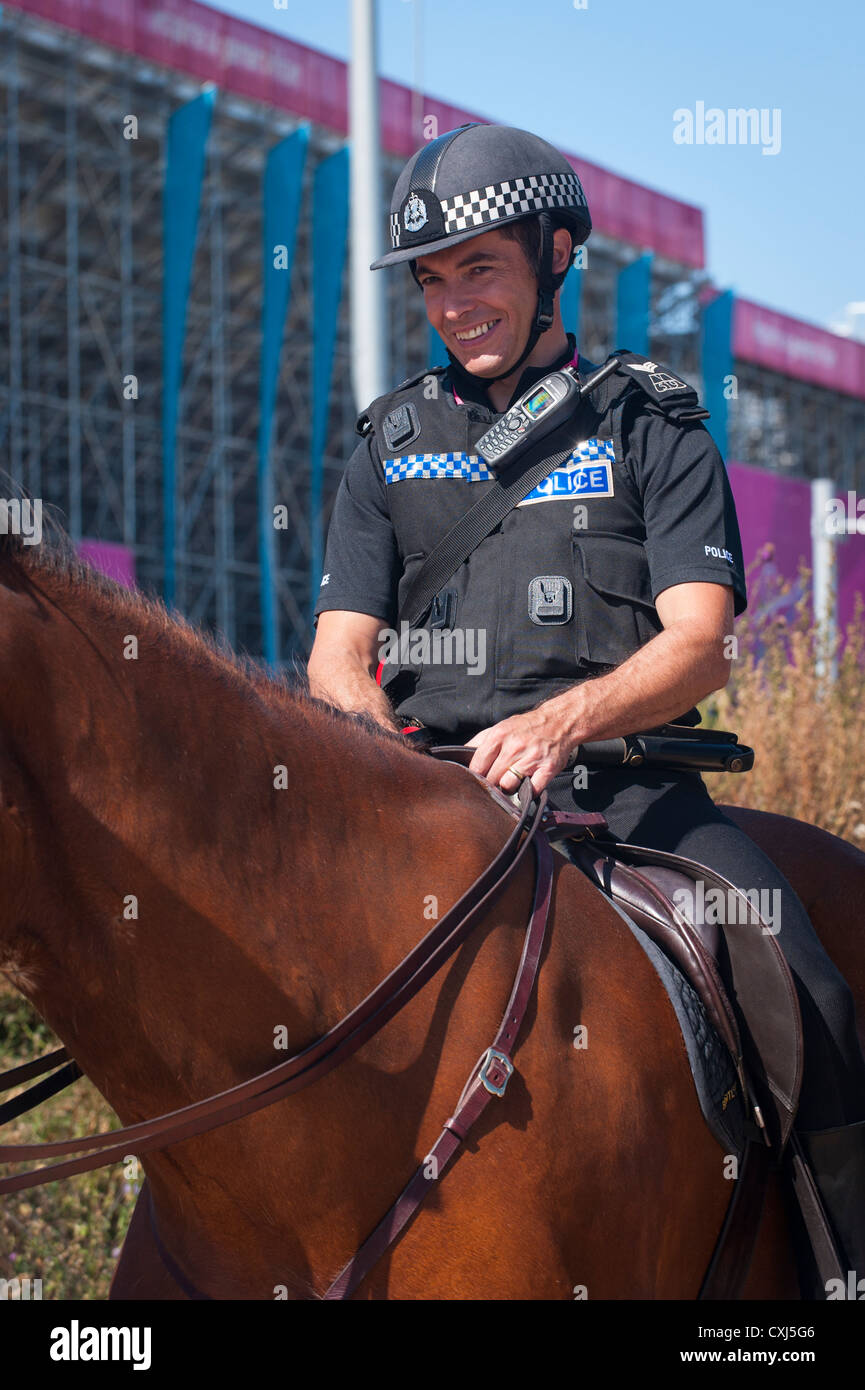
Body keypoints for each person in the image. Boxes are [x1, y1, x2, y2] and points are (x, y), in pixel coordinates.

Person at [307, 121, 865, 1290]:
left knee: (805, 983)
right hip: (436, 802)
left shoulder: (648, 419)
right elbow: (336, 655)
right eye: (432, 282)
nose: (454, 304)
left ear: (555, 254)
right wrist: (387, 760)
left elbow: (701, 644)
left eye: (481, 269)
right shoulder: (387, 445)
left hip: (630, 797)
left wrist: (563, 721)